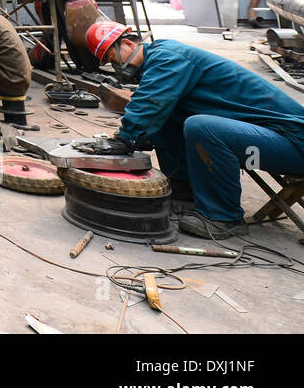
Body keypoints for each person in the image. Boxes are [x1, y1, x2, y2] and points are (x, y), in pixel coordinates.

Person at [74, 21, 304, 239]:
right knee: (170, 117)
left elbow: (151, 100)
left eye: (112, 58)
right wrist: (134, 137)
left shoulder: (168, 57)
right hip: (268, 141)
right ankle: (185, 196)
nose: (115, 66)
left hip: (295, 145)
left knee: (203, 127)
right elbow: (155, 110)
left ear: (127, 43)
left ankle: (223, 217)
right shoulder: (161, 58)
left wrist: (124, 139)